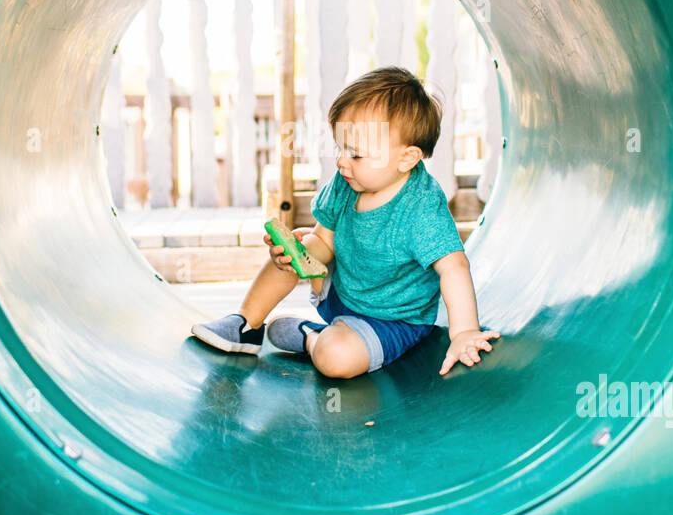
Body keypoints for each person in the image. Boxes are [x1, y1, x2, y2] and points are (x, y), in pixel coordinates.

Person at [190, 66, 500, 378]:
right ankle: (246, 325)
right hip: (342, 290)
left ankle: (311, 337)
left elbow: (454, 268)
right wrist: (298, 253)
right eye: (341, 148)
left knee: (335, 359)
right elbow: (323, 241)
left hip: (391, 320)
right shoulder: (347, 181)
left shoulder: (421, 207)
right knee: (288, 255)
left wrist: (463, 333)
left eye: (355, 154)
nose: (341, 161)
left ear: (406, 158)